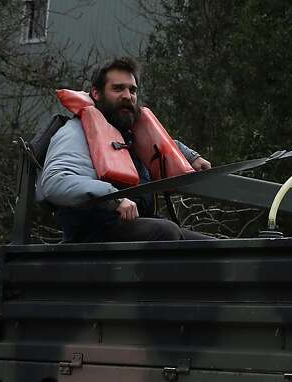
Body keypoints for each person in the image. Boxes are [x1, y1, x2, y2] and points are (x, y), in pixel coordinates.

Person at [37, 57, 213, 243]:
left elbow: (156, 146)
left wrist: (189, 156)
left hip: (133, 225)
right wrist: (114, 199)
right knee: (166, 232)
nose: (128, 96)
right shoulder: (75, 132)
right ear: (96, 93)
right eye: (118, 89)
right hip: (94, 231)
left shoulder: (125, 132)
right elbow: (56, 180)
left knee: (216, 248)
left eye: (132, 90)